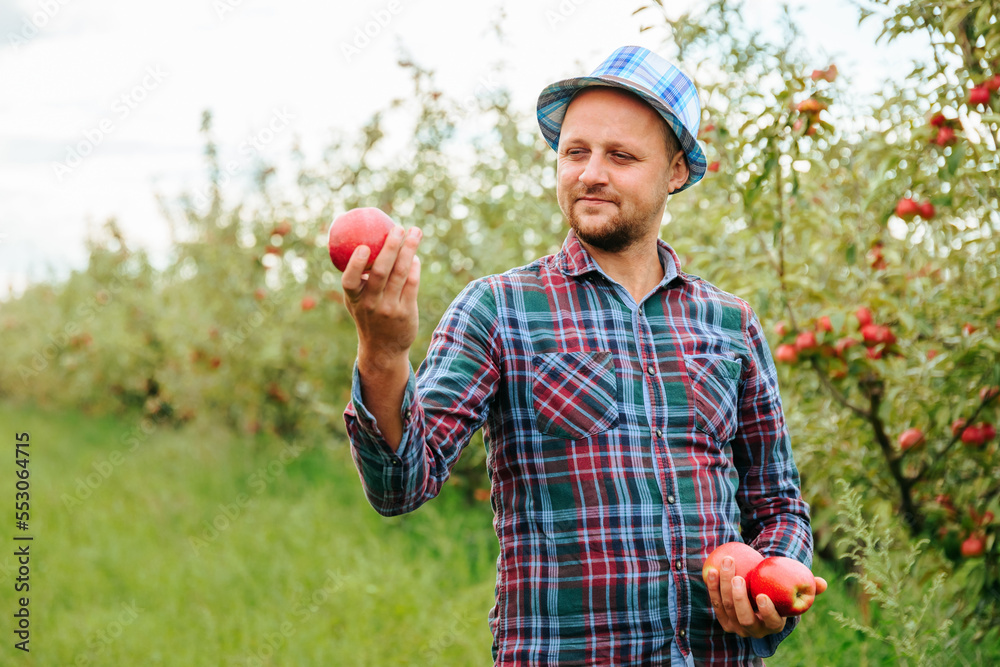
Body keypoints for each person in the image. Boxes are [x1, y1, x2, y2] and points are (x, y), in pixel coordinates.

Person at [341, 45, 816, 666]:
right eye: (576, 152)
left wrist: (770, 589)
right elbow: (400, 485)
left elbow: (778, 505)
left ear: (675, 171)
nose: (591, 172)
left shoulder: (729, 324)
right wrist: (383, 351)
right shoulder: (500, 309)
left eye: (621, 155)